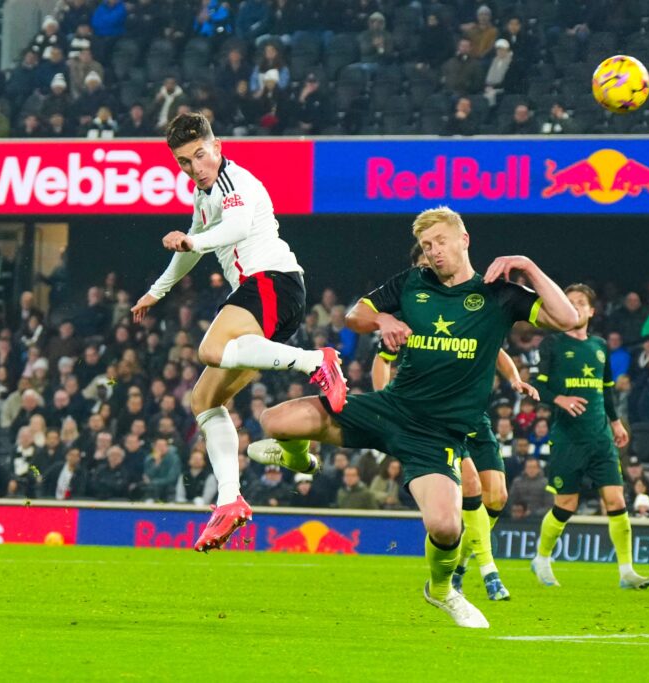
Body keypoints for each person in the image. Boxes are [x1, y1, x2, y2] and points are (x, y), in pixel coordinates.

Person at [247, 205, 579, 628]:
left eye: (441, 241)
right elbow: (354, 315)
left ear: (464, 240)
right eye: (427, 245)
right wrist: (383, 317)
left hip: (437, 434)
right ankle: (297, 459)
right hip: (390, 409)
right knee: (273, 421)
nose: (434, 251)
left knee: (444, 527)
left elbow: (568, 319)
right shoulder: (412, 283)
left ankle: (442, 590)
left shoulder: (500, 294)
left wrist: (527, 266)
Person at [129, 112, 346, 552]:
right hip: (268, 301)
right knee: (203, 400)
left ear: (218, 146)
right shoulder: (203, 193)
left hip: (273, 281)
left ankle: (314, 361)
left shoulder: (234, 183)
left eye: (200, 155)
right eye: (184, 162)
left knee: (212, 348)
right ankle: (230, 501)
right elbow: (194, 242)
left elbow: (236, 229)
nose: (195, 167)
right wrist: (157, 291)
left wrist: (196, 242)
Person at [371, 243, 538, 600]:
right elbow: (382, 359)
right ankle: (490, 572)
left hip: (472, 412)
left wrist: (513, 378)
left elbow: (494, 348)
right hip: (431, 417)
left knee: (497, 497)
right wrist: (387, 410)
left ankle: (460, 564)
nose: (429, 269)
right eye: (422, 265)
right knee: (473, 485)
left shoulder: (466, 308)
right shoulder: (410, 317)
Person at [530, 283, 649, 590]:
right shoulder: (552, 345)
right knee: (566, 504)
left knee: (615, 500)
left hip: (600, 437)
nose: (575, 307)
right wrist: (560, 399)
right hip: (568, 438)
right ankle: (542, 559)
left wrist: (615, 423)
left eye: (581, 302)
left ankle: (627, 571)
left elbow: (606, 389)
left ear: (592, 310)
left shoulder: (599, 346)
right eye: (569, 302)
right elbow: (537, 387)